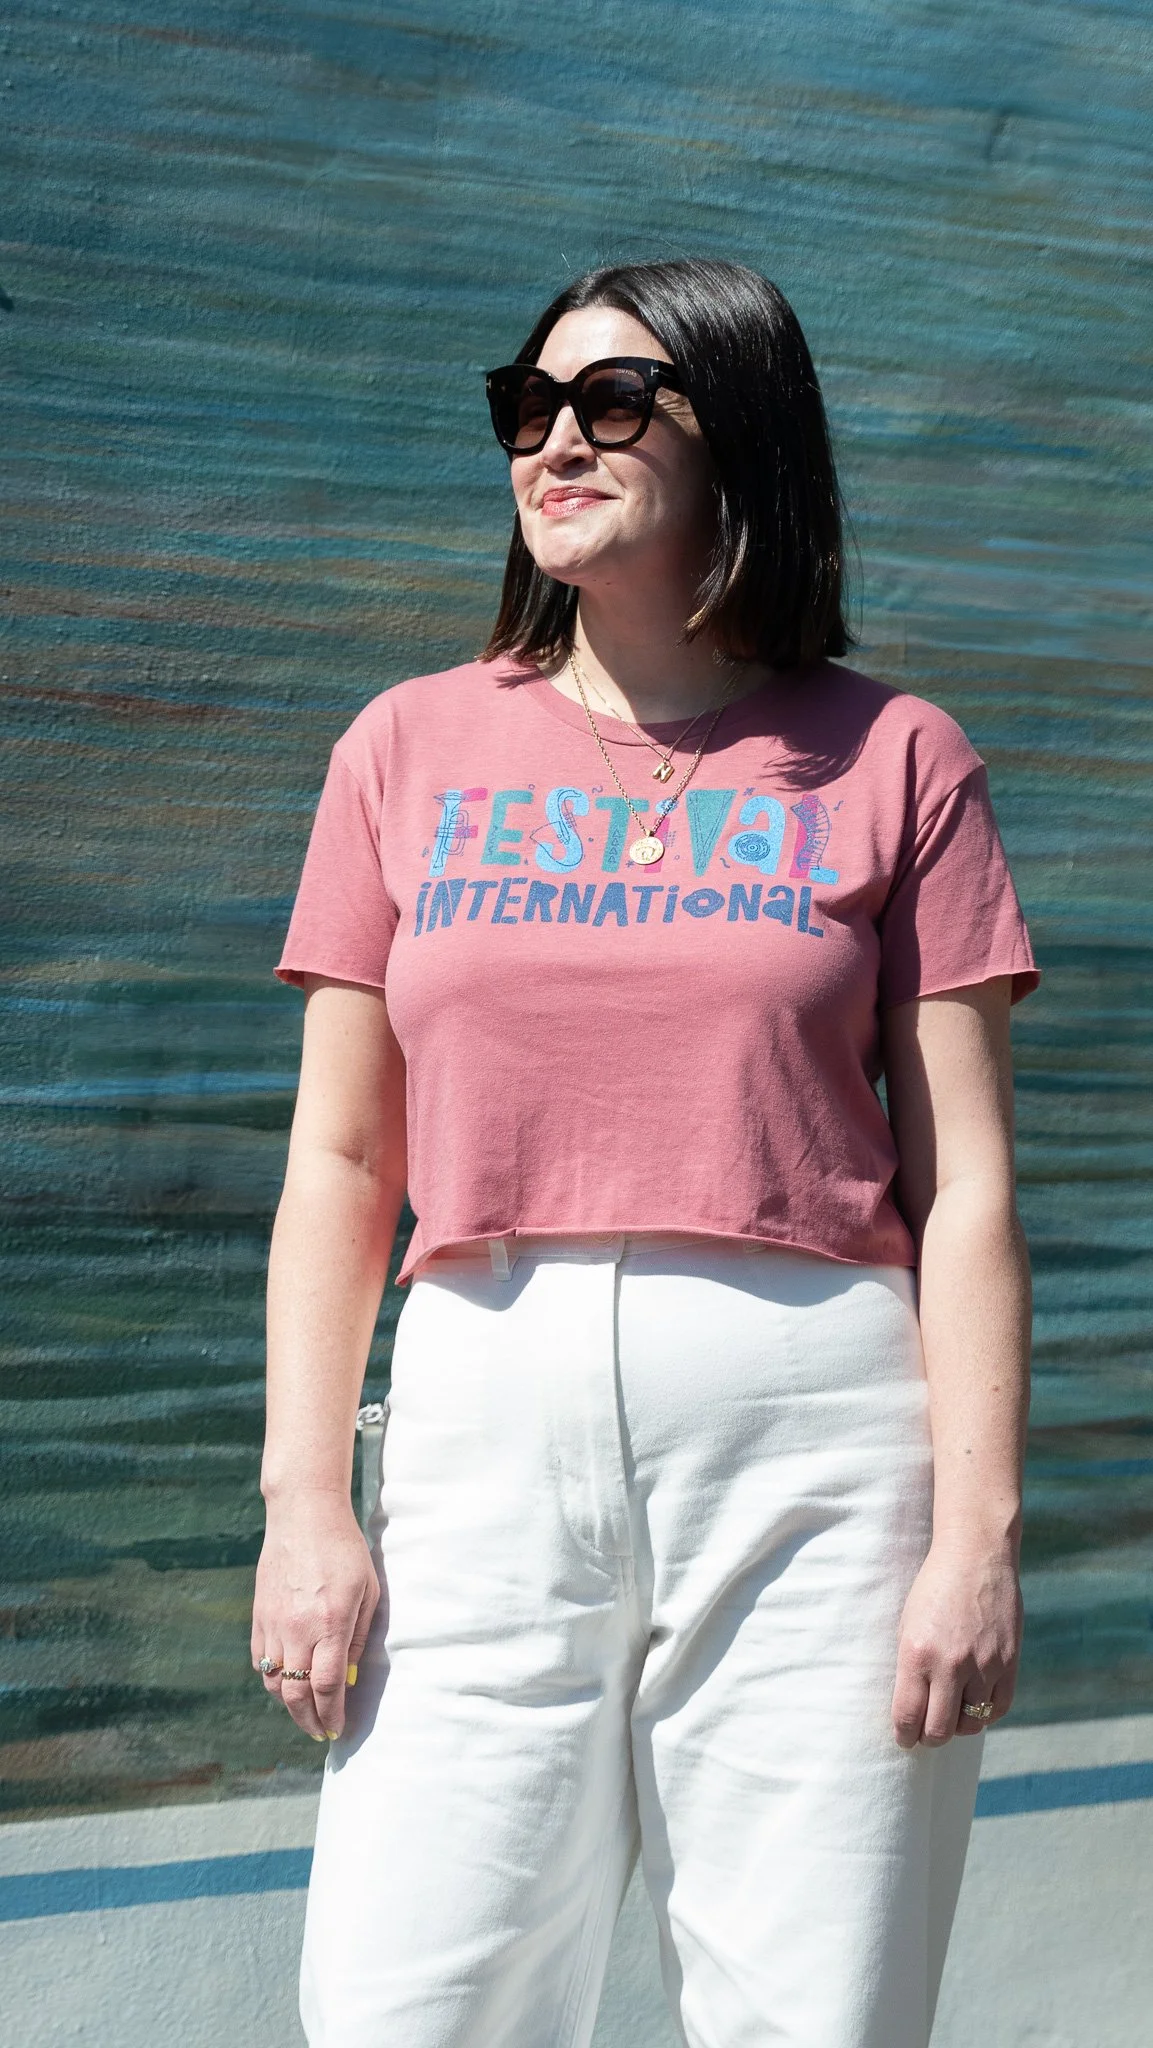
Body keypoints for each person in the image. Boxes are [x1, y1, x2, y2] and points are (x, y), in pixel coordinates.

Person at [253, 258, 1040, 2048]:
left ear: (738, 433)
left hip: (818, 1459)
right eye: (527, 406)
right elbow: (342, 1165)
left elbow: (970, 1190)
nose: (556, 441)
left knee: (813, 2015)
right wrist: (305, 1503)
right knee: (402, 2008)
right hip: (477, 1437)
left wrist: (976, 1533)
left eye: (614, 403)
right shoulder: (405, 746)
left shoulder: (897, 757)